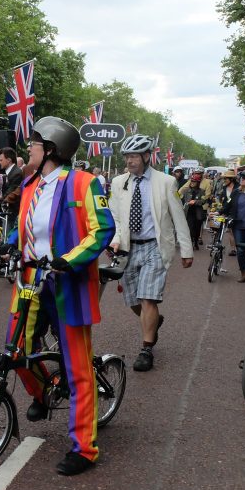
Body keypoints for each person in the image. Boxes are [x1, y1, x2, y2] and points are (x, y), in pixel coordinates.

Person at [6, 116, 115, 475]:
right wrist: (12, 249)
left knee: (79, 368)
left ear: (49, 149)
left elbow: (102, 230)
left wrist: (68, 262)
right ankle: (46, 391)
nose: (28, 150)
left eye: (33, 145)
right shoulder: (29, 185)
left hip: (67, 282)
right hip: (30, 281)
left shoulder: (85, 183)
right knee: (15, 351)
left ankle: (84, 448)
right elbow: (27, 230)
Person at [108, 133, 193, 372]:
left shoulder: (166, 182)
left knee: (148, 298)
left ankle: (146, 349)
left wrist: (186, 249)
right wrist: (114, 241)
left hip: (154, 246)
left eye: (134, 155)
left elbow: (178, 217)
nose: (130, 161)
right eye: (127, 156)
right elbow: (115, 217)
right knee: (134, 300)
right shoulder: (118, 182)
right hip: (128, 248)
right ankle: (154, 321)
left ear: (147, 156)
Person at [178, 169, 209, 250]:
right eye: (191, 182)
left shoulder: (201, 191)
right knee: (190, 228)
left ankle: (195, 242)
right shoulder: (187, 191)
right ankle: (191, 242)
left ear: (198, 183)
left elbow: (204, 200)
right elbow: (179, 195)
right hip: (189, 212)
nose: (192, 183)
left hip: (197, 212)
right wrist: (174, 194)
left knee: (197, 228)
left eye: (194, 182)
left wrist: (195, 202)